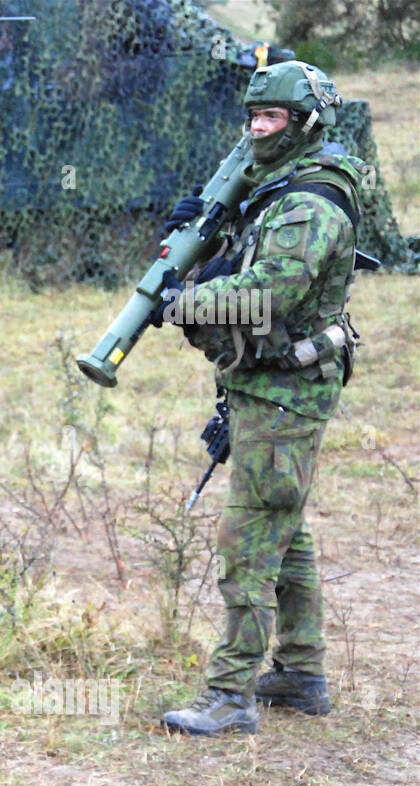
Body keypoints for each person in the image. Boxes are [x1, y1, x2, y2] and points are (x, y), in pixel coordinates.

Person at [157, 61, 367, 736]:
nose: (257, 128)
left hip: (288, 388)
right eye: (252, 116)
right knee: (285, 524)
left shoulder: (310, 202)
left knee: (249, 537)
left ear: (305, 124)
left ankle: (230, 694)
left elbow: (271, 292)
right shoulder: (275, 188)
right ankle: (301, 673)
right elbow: (246, 264)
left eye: (271, 118)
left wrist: (188, 301)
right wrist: (204, 234)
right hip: (266, 382)